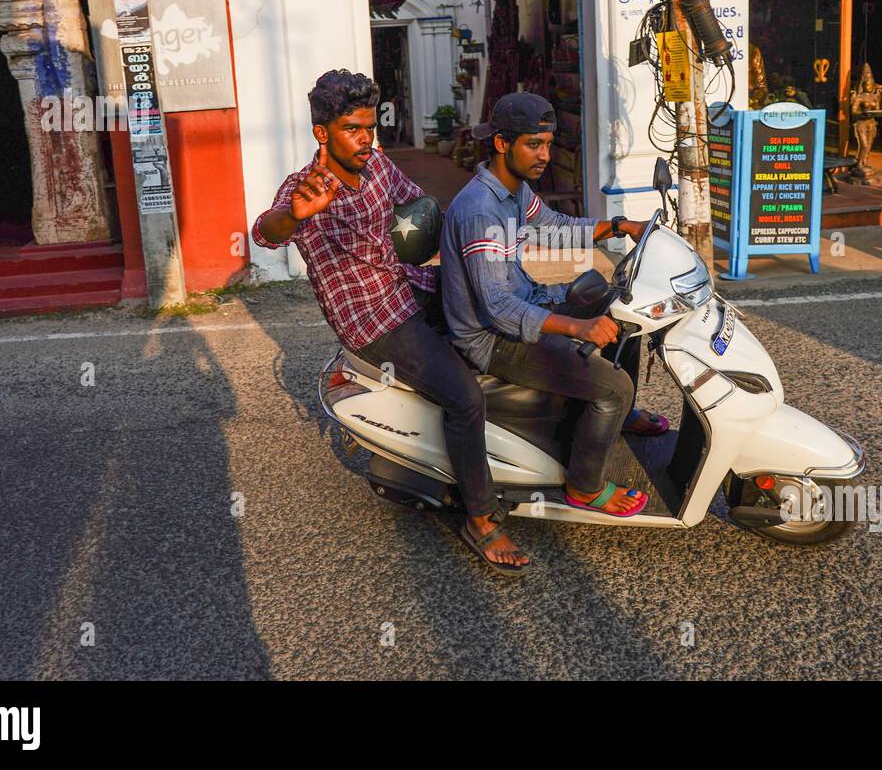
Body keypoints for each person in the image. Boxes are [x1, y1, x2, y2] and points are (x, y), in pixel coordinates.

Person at [252, 70, 531, 574]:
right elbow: (266, 233)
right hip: (373, 320)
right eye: (352, 129)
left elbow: (423, 207)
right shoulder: (304, 188)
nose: (365, 139)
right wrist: (294, 216)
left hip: (412, 288)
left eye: (369, 126)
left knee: (506, 310)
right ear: (322, 133)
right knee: (464, 397)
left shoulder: (377, 165)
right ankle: (482, 518)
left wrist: (478, 241)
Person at [440, 92, 656, 519]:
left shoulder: (514, 191)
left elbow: (554, 228)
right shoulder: (479, 210)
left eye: (548, 143)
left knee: (622, 313)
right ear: (502, 144)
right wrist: (577, 328)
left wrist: (619, 226)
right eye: (533, 145)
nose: (545, 155)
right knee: (615, 386)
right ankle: (582, 486)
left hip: (526, 302)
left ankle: (613, 419)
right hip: (492, 339)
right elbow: (497, 308)